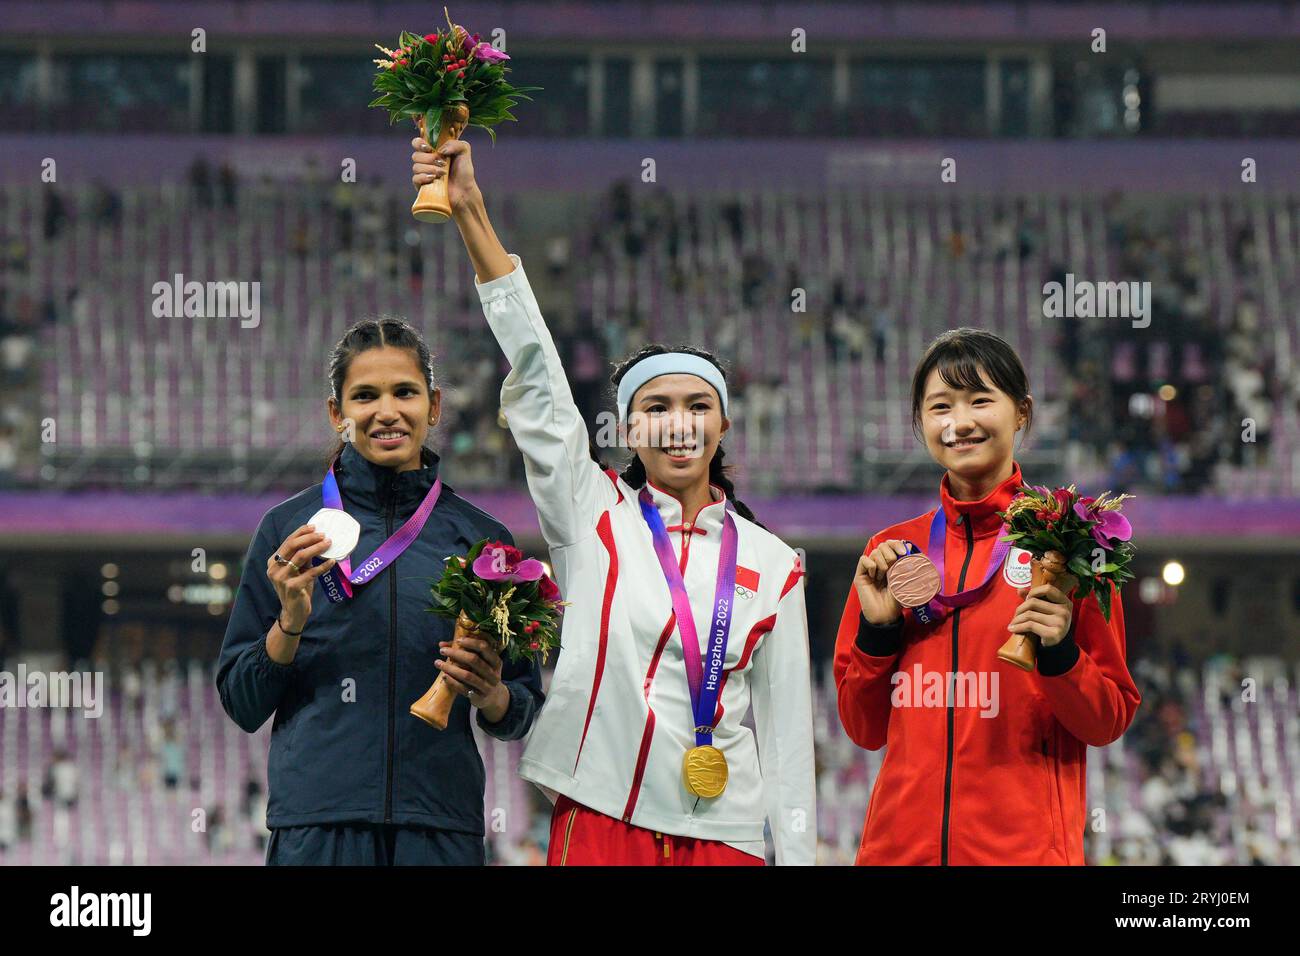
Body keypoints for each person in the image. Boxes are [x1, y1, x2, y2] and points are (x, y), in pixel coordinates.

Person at [413, 136, 815, 865]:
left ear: (723, 421)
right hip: (599, 821)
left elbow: (787, 737)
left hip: (723, 839)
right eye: (656, 406)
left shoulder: (775, 565)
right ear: (630, 426)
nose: (679, 421)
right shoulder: (590, 511)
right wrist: (471, 210)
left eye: (698, 405)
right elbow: (536, 374)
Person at [216, 317, 543, 865]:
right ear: (337, 412)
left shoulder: (482, 540)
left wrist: (489, 692)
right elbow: (243, 703)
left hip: (440, 827)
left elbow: (521, 709)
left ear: (434, 406)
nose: (387, 411)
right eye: (365, 395)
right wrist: (289, 621)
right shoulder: (288, 533)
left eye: (405, 393)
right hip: (317, 828)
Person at [834, 328, 1140, 865]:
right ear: (921, 423)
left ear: (1021, 413)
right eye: (940, 407)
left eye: (980, 400)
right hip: (898, 853)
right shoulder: (889, 554)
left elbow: (1106, 721)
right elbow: (863, 730)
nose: (960, 422)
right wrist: (879, 634)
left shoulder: (1070, 546)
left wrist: (1061, 653)